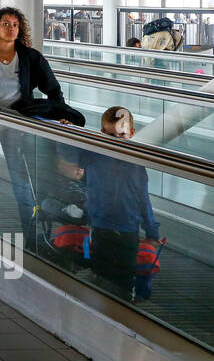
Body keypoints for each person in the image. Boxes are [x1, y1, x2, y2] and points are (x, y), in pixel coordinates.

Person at [0, 7, 65, 240]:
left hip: (18, 128)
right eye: (6, 24)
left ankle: (31, 238)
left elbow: (52, 88)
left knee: (21, 181)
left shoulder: (30, 57)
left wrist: (59, 113)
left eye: (15, 25)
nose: (11, 29)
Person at [58, 107, 160, 300]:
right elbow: (71, 155)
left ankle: (121, 302)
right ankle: (102, 304)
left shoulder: (136, 162)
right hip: (100, 224)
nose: (116, 141)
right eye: (111, 135)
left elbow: (142, 197)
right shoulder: (94, 155)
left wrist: (151, 229)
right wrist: (66, 134)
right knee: (102, 270)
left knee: (124, 274)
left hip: (128, 228)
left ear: (131, 133)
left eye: (121, 135)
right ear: (103, 134)